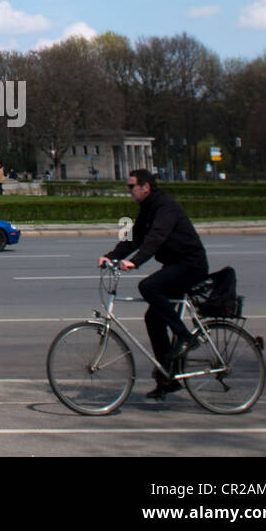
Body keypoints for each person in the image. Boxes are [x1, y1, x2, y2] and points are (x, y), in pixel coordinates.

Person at [100, 169, 208, 400]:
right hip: (175, 265)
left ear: (145, 187)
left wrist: (135, 262)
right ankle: (168, 377)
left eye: (131, 186)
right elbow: (135, 238)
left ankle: (185, 337)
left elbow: (156, 237)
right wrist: (112, 256)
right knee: (153, 318)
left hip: (191, 265)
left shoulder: (164, 207)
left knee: (148, 287)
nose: (129, 191)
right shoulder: (148, 208)